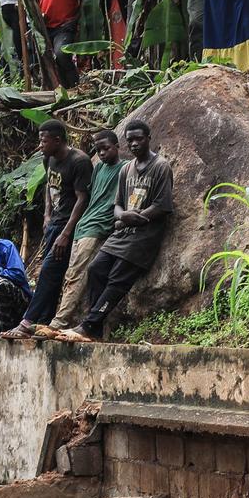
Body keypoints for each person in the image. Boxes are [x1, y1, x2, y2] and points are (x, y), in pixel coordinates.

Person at [61, 120, 173, 343]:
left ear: (148, 139)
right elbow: (117, 205)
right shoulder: (126, 169)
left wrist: (138, 217)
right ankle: (93, 328)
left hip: (144, 236)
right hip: (121, 233)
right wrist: (123, 216)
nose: (134, 144)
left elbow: (162, 205)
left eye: (139, 139)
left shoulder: (161, 166)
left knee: (117, 278)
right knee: (95, 270)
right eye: (130, 140)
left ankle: (88, 326)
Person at [2, 119, 92, 340]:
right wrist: (47, 214)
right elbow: (48, 187)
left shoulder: (79, 162)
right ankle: (43, 322)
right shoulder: (48, 158)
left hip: (69, 226)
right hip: (54, 224)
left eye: (43, 141)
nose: (40, 145)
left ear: (57, 140)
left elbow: (82, 199)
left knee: (49, 271)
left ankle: (27, 323)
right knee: (53, 273)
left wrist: (66, 233)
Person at [37, 130, 124, 337]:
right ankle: (60, 320)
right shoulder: (99, 167)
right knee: (71, 274)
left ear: (117, 146)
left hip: (98, 226)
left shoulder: (125, 168)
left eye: (106, 148)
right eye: (98, 150)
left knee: (76, 273)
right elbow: (87, 194)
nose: (101, 153)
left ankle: (58, 323)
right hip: (83, 225)